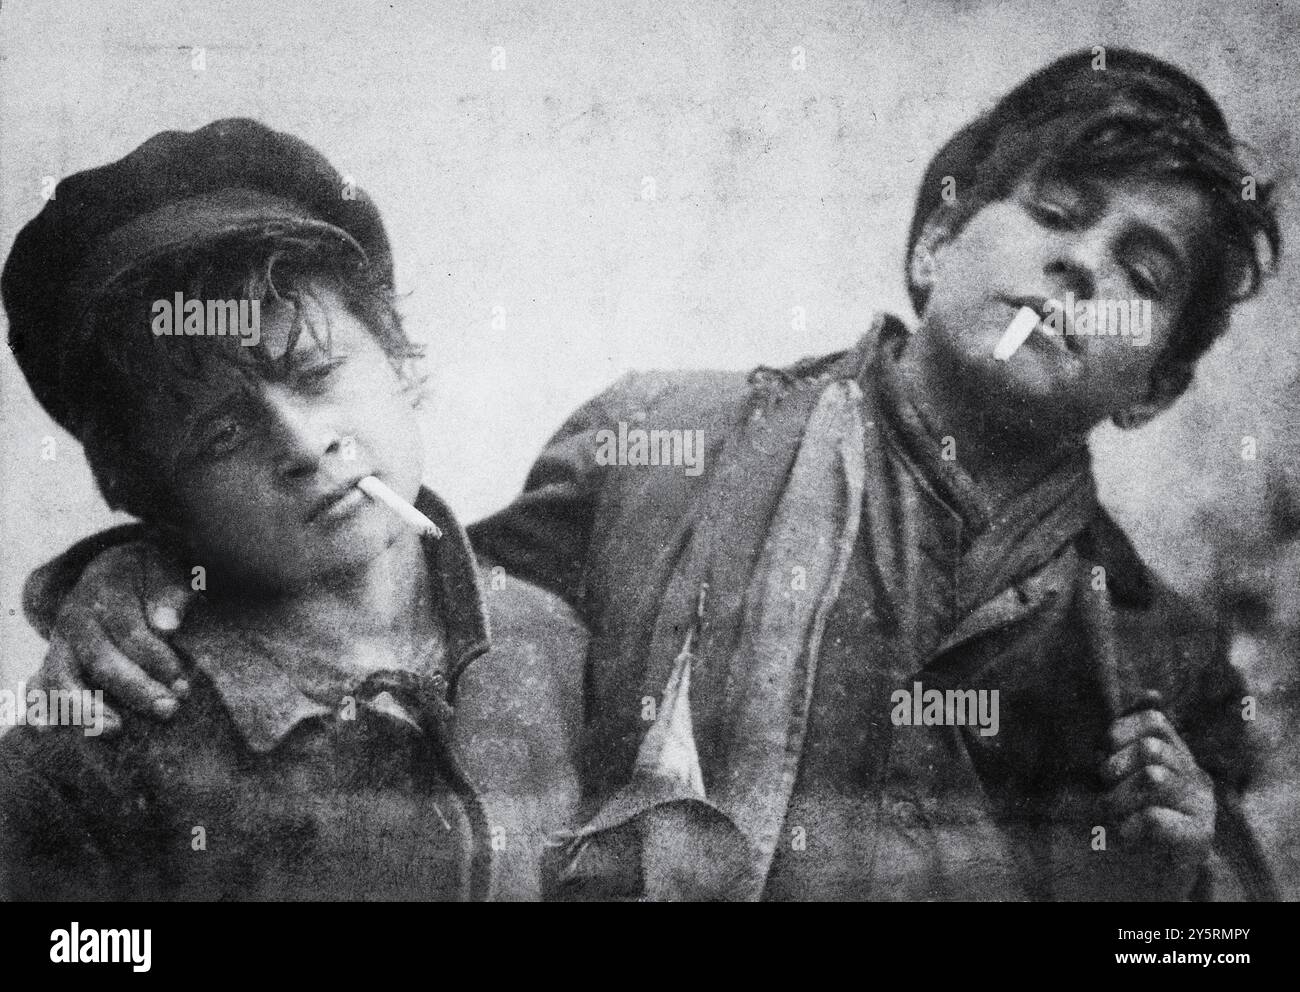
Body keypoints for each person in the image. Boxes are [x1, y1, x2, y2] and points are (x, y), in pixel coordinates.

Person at [19, 50, 1283, 900]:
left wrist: (1173, 882)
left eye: (1142, 271)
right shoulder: (663, 444)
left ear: (1158, 383)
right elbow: (401, 610)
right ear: (939, 234)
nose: (1080, 270)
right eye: (1055, 212)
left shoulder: (1158, 657)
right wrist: (144, 567)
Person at [0, 120, 585, 901]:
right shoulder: (79, 767)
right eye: (223, 432)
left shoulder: (561, 640)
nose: (306, 444)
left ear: (398, 359)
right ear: (150, 494)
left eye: (315, 372)